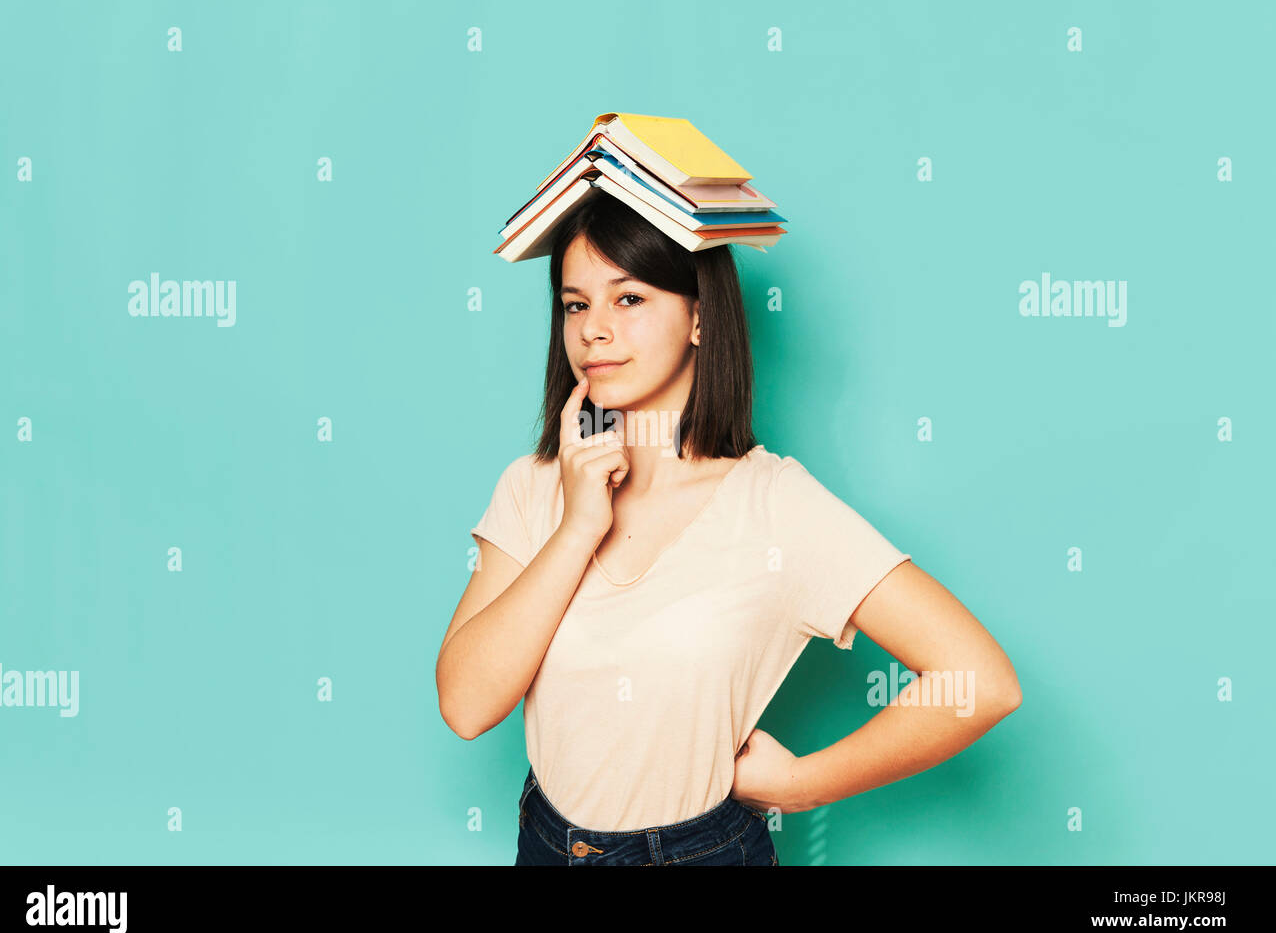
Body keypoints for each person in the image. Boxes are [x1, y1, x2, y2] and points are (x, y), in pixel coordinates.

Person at [436, 189, 1022, 866]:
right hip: (545, 839)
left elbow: (980, 680)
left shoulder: (777, 507)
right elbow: (467, 705)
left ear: (700, 318)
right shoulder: (532, 486)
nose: (593, 329)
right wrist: (577, 528)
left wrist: (802, 784)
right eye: (576, 304)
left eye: (628, 299)